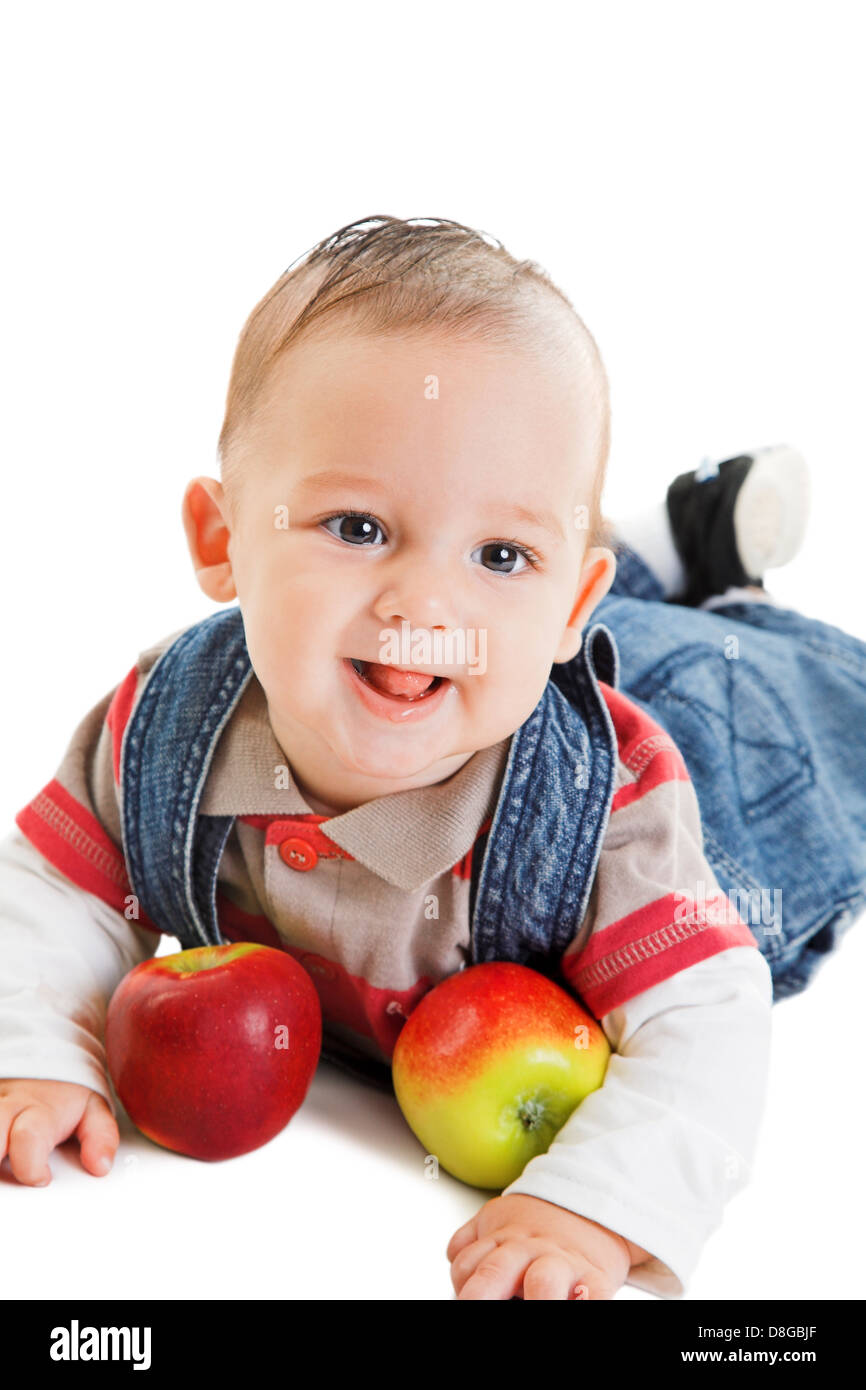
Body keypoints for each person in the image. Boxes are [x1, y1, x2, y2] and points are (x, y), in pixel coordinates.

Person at [2, 216, 865, 1302]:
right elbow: (53, 879)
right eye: (357, 526)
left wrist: (595, 1201)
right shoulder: (172, 723)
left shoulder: (610, 819)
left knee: (811, 692)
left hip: (716, 733)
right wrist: (38, 1038)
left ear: (566, 602)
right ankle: (665, 543)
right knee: (494, 637)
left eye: (498, 552)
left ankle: (701, 577)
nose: (424, 602)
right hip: (513, 662)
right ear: (223, 542)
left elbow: (707, 1014)